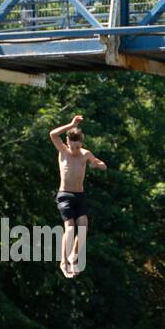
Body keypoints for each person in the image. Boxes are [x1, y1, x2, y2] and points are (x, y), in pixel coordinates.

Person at [48, 114, 106, 278]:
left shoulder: (85, 154)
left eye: (77, 147)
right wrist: (71, 124)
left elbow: (102, 165)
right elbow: (52, 134)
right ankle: (63, 262)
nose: (74, 151)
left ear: (81, 144)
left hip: (79, 195)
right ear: (68, 143)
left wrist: (97, 165)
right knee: (70, 227)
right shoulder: (63, 152)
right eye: (72, 147)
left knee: (83, 226)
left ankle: (73, 256)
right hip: (65, 195)